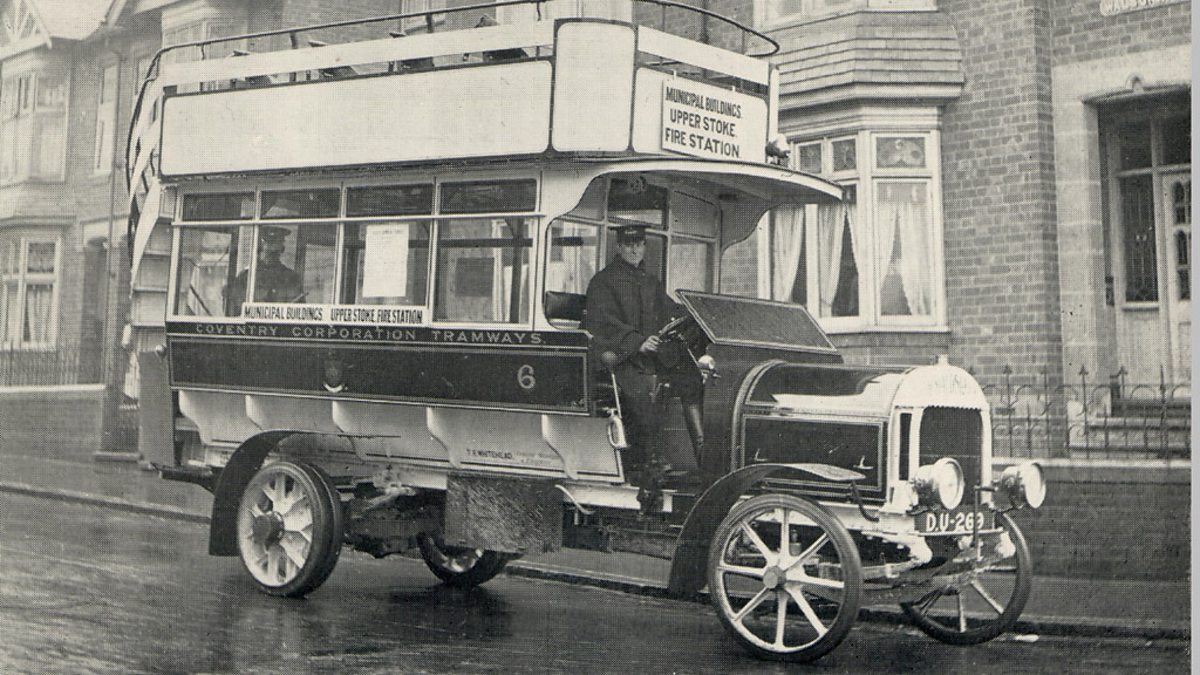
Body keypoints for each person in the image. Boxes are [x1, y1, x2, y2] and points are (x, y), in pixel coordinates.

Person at [585, 223, 690, 500]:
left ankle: (682, 459)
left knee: (687, 381)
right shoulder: (603, 282)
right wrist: (637, 342)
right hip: (618, 360)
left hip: (648, 359)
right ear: (618, 247)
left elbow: (669, 311)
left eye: (639, 244)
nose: (634, 249)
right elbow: (602, 322)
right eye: (629, 244)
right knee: (643, 389)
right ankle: (648, 465)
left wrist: (688, 316)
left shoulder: (649, 281)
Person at [225, 226, 303, 314]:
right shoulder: (245, 278)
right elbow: (235, 313)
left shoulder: (291, 278)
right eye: (269, 244)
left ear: (281, 248)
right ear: (260, 247)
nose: (272, 248)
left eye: (276, 244)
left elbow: (297, 312)